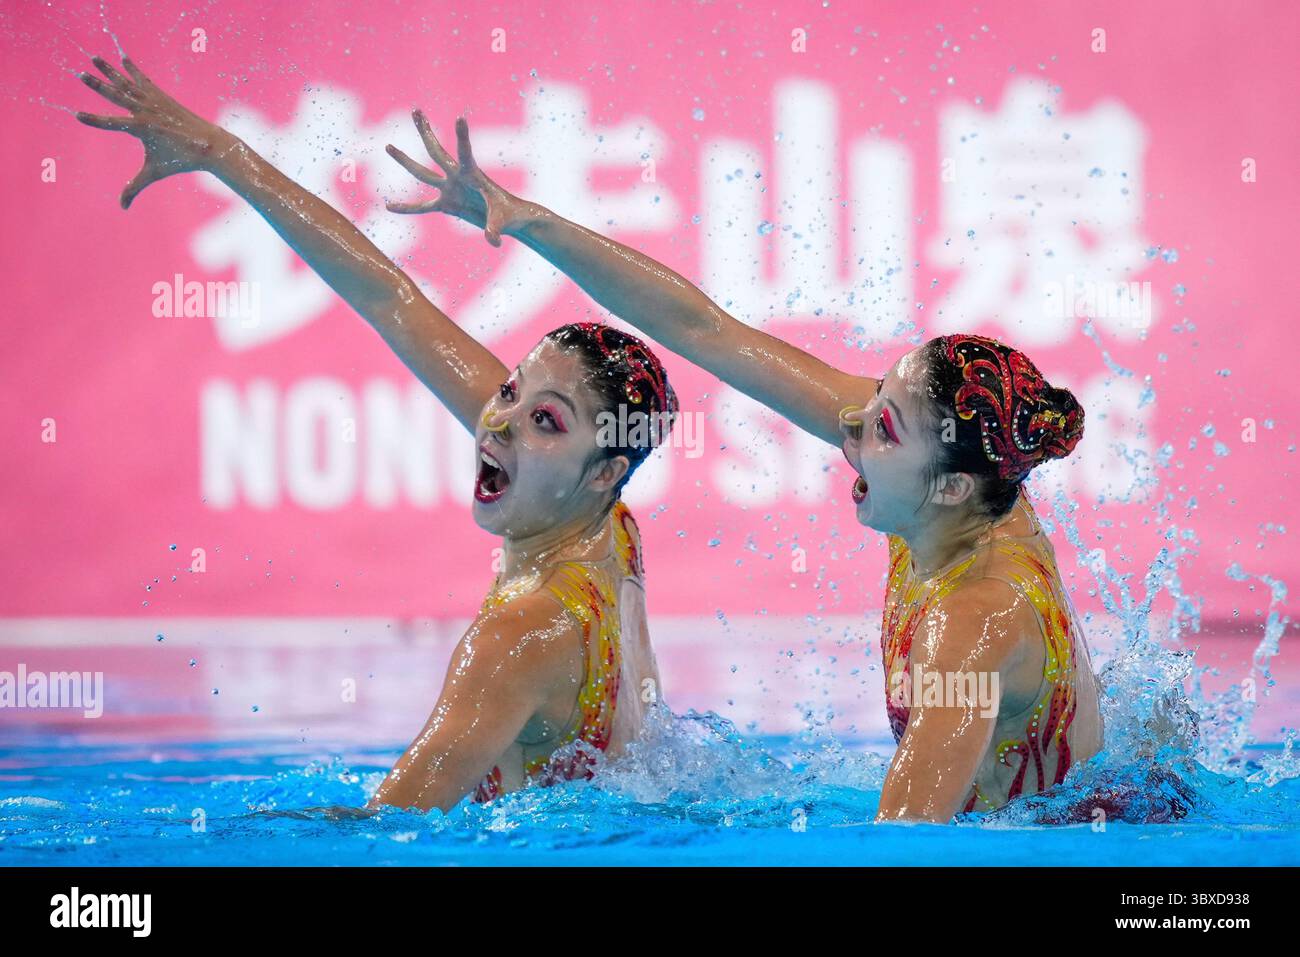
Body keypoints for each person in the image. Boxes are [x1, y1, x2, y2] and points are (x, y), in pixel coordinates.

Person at [387, 115, 1106, 822]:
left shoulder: (969, 622)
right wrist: (527, 221)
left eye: (881, 426)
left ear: (950, 486)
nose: (850, 424)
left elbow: (905, 841)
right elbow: (707, 329)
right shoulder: (963, 481)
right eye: (874, 393)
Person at [75, 55, 677, 812]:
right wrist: (220, 154)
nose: (498, 421)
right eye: (512, 393)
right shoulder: (610, 526)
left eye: (544, 419)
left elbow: (384, 831)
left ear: (601, 470)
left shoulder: (518, 637)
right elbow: (388, 296)